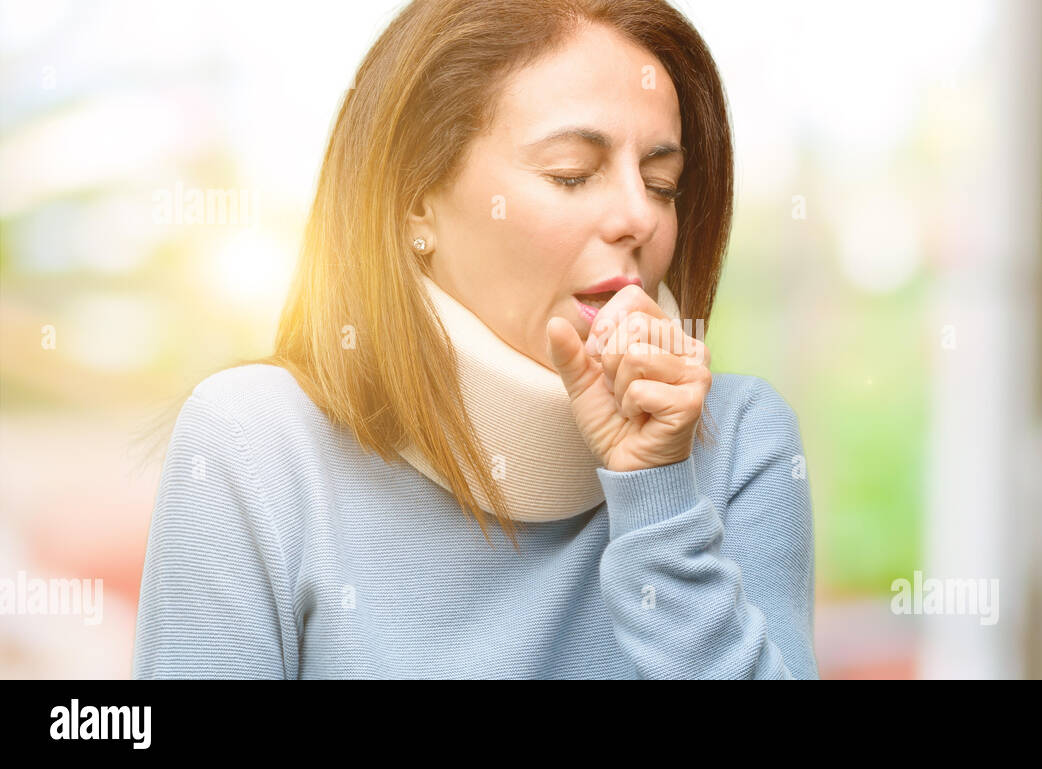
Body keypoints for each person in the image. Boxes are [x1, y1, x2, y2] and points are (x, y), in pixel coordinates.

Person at [131, 0, 816, 679]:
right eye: (572, 174)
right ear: (415, 200)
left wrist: (657, 494)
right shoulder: (257, 443)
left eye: (662, 183)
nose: (640, 216)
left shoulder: (737, 442)